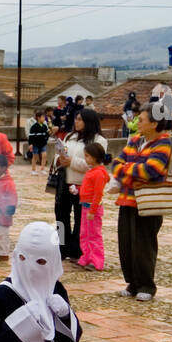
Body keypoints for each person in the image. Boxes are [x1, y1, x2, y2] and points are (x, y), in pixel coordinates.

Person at [111, 105, 172, 300]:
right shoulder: (135, 140)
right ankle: (132, 283)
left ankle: (146, 285)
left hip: (147, 204)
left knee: (144, 245)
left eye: (142, 120)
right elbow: (115, 164)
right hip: (127, 201)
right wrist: (132, 170)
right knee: (126, 244)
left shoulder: (164, 144)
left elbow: (150, 171)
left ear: (154, 124)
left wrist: (127, 170)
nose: (138, 123)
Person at [53, 108, 107, 261]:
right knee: (61, 216)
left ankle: (77, 249)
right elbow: (59, 152)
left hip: (84, 186)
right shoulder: (70, 136)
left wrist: (72, 162)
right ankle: (62, 248)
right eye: (76, 119)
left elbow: (95, 164)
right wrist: (58, 159)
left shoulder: (99, 140)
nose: (76, 122)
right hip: (65, 182)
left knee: (80, 219)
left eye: (80, 119)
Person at [77, 142, 110, 272]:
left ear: (95, 157)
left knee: (94, 235)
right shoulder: (92, 171)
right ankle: (86, 257)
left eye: (87, 156)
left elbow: (98, 193)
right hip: (85, 207)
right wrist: (78, 190)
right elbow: (88, 189)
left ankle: (97, 261)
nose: (86, 159)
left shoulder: (99, 173)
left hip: (93, 209)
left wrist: (93, 210)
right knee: (84, 234)